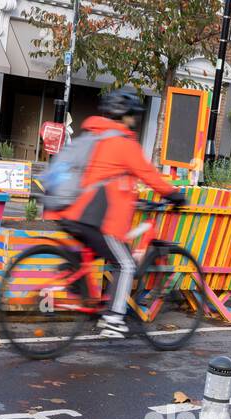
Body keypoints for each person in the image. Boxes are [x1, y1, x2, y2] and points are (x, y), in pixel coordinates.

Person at [45, 90, 186, 338]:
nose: (135, 120)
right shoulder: (123, 143)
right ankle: (112, 320)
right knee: (125, 263)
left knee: (99, 254)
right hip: (96, 218)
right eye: (134, 115)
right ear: (127, 116)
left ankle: (76, 281)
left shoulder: (95, 135)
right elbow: (149, 175)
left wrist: (131, 196)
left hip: (71, 211)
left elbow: (104, 177)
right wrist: (174, 195)